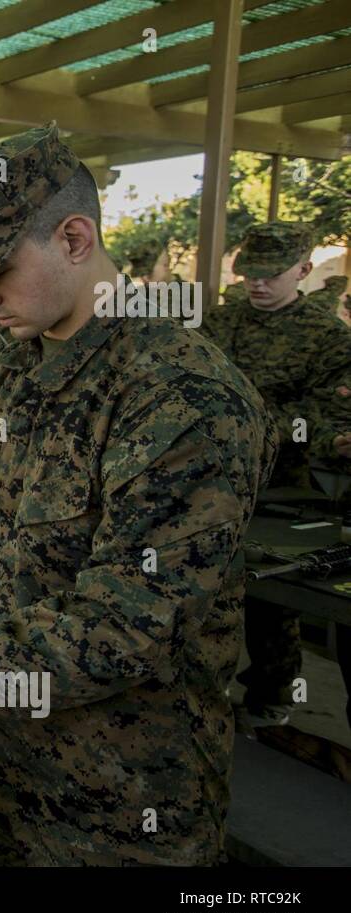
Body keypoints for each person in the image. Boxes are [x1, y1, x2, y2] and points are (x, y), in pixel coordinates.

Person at [0, 124, 277, 865]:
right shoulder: (16, 372)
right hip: (6, 770)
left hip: (119, 807)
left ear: (75, 239)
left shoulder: (183, 397)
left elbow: (124, 624)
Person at [199, 221, 351, 727]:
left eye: (270, 275)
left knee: (271, 600)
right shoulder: (217, 325)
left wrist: (252, 424)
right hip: (209, 482)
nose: (257, 284)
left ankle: (272, 695)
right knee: (203, 587)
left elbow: (326, 416)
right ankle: (202, 692)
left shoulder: (327, 337)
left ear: (304, 271)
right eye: (249, 275)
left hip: (280, 485)